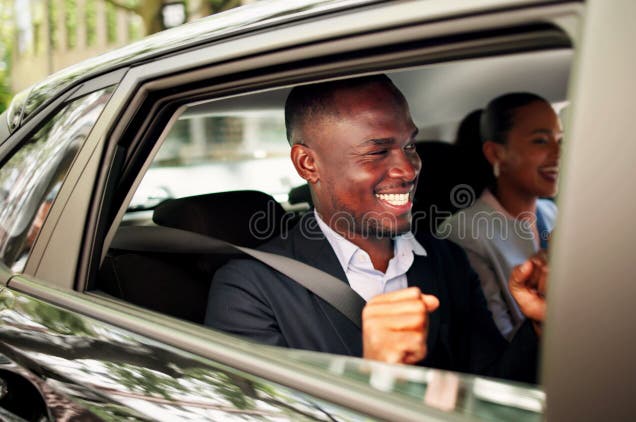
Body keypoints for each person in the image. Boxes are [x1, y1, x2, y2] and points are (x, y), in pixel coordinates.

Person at [204, 75, 547, 383]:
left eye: (410, 146)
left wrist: (538, 324)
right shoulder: (250, 289)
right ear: (308, 164)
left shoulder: (447, 259)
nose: (409, 169)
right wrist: (372, 375)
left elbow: (489, 386)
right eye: (378, 151)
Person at [438, 93, 561, 339]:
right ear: (496, 154)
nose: (558, 152)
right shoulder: (462, 232)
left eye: (560, 140)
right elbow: (497, 339)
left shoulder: (552, 212)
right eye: (540, 141)